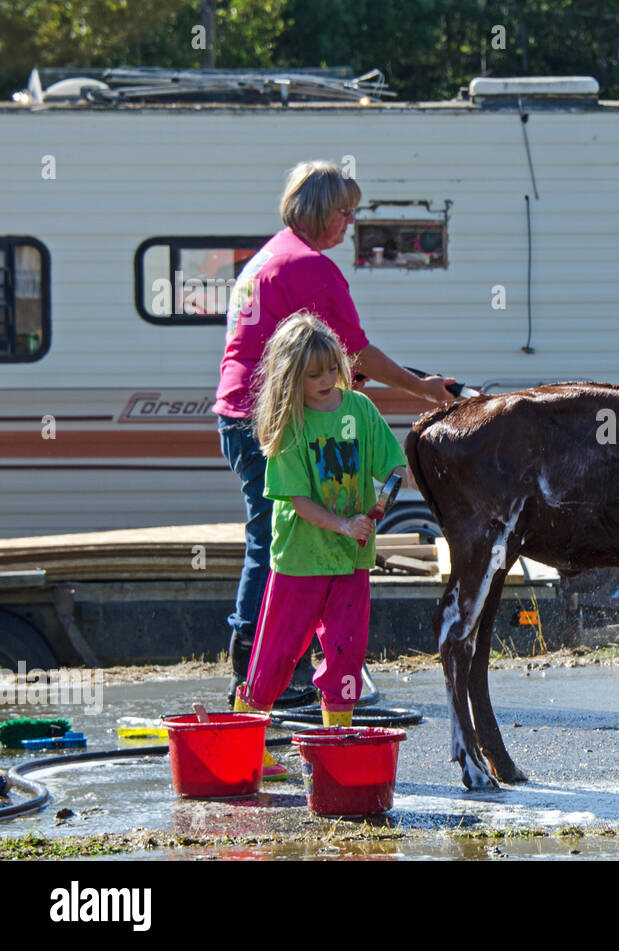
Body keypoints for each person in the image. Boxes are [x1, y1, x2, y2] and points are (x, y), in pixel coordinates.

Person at [214, 160, 454, 707]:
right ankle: (262, 669)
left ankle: (273, 666)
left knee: (273, 530)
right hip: (271, 416)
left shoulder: (269, 254)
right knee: (279, 536)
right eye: (345, 212)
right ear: (321, 210)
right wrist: (423, 390)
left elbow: (333, 358)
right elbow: (357, 351)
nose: (350, 224)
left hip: (239, 409)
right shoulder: (309, 267)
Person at [232, 312, 408, 779]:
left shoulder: (361, 410)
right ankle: (245, 742)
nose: (327, 379)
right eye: (314, 375)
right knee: (277, 654)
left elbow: (394, 466)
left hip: (351, 560)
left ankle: (334, 742)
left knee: (347, 653)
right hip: (300, 561)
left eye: (332, 368)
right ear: (292, 378)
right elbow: (301, 503)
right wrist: (345, 523)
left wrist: (390, 494)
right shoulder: (290, 424)